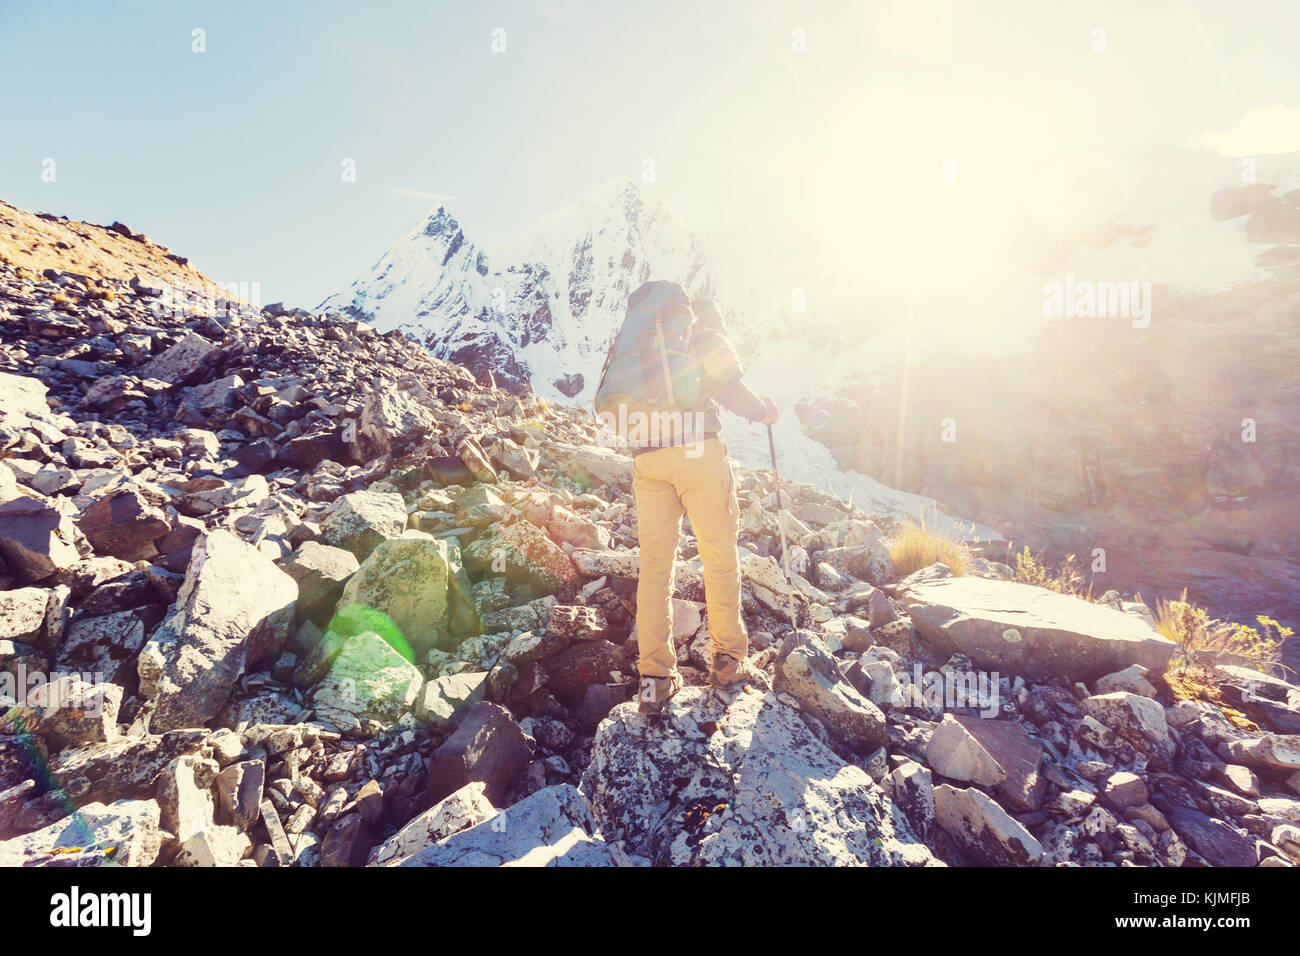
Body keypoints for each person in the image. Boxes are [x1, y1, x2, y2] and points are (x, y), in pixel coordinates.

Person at [630, 294, 778, 715]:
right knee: (718, 556)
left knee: (655, 567)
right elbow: (728, 385)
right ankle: (728, 661)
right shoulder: (701, 327)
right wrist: (762, 411)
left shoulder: (635, 342)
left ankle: (654, 679)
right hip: (698, 454)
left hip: (648, 458)